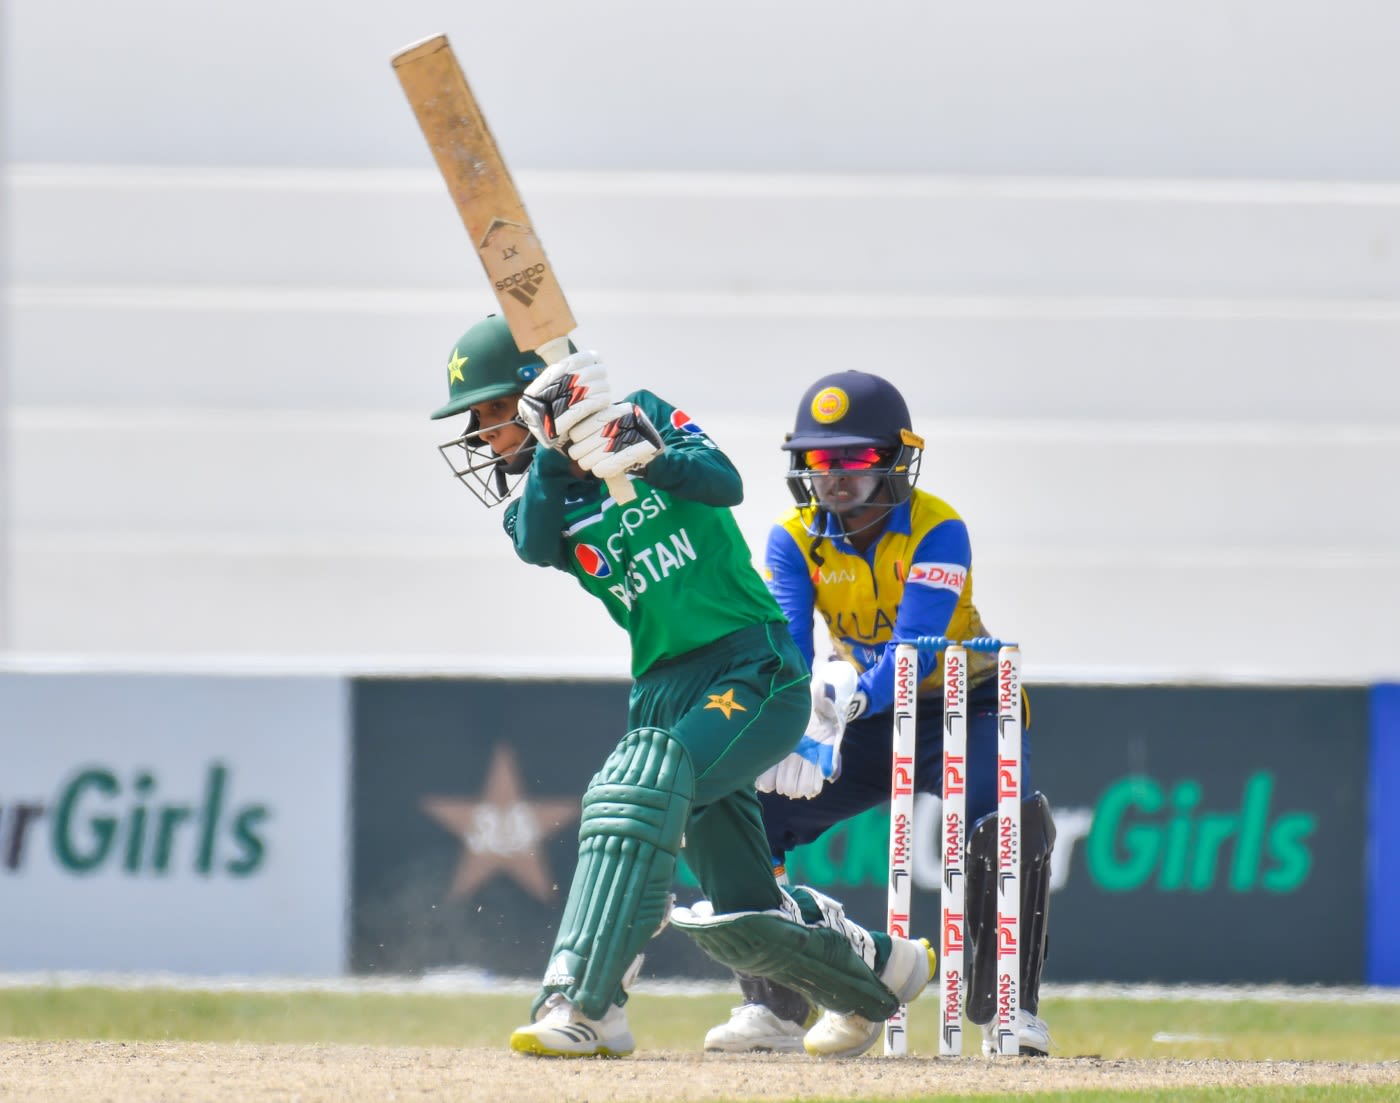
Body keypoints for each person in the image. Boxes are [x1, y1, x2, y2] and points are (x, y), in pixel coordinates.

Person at [428, 315, 936, 1059]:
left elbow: (723, 482)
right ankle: (875, 972)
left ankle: (587, 1004)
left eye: (483, 414)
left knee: (639, 789)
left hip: (750, 666)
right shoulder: (542, 497)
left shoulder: (642, 413)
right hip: (664, 687)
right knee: (744, 909)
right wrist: (555, 451)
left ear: (521, 391)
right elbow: (537, 544)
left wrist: (641, 447)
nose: (478, 434)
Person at [702, 369, 1056, 1057]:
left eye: (855, 459)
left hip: (965, 701)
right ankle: (776, 1005)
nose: (834, 477)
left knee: (1002, 822)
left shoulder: (937, 527)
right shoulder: (795, 537)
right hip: (856, 716)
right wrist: (790, 720)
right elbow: (789, 645)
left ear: (895, 459)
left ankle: (1012, 1011)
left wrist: (848, 695)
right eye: (820, 460)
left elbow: (918, 649)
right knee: (748, 810)